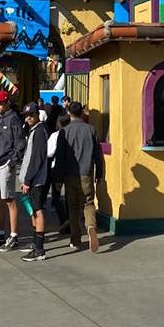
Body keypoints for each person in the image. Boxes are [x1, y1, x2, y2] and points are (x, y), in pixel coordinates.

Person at [59, 100, 104, 253]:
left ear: (69, 113)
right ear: (82, 112)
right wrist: (99, 172)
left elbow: (60, 156)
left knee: (72, 207)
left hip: (70, 174)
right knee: (88, 203)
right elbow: (98, 154)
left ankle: (75, 239)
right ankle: (91, 226)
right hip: (86, 173)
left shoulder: (64, 131)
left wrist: (58, 176)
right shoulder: (91, 130)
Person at [0, 91, 25, 251]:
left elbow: (20, 142)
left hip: (5, 163)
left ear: (7, 102)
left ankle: (14, 236)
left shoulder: (13, 118)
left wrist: (12, 161)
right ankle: (0, 233)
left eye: (0, 103)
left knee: (9, 199)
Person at [18, 103, 50, 262]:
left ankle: (39, 249)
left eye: (31, 114)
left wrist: (28, 180)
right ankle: (35, 242)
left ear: (37, 114)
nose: (28, 117)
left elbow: (36, 158)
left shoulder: (39, 132)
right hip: (32, 179)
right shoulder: (34, 131)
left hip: (37, 180)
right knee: (33, 210)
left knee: (38, 210)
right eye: (26, 115)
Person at [46, 112, 70, 233]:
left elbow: (49, 152)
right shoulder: (72, 133)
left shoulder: (55, 135)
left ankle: (63, 220)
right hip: (72, 168)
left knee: (56, 196)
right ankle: (70, 221)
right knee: (69, 196)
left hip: (57, 168)